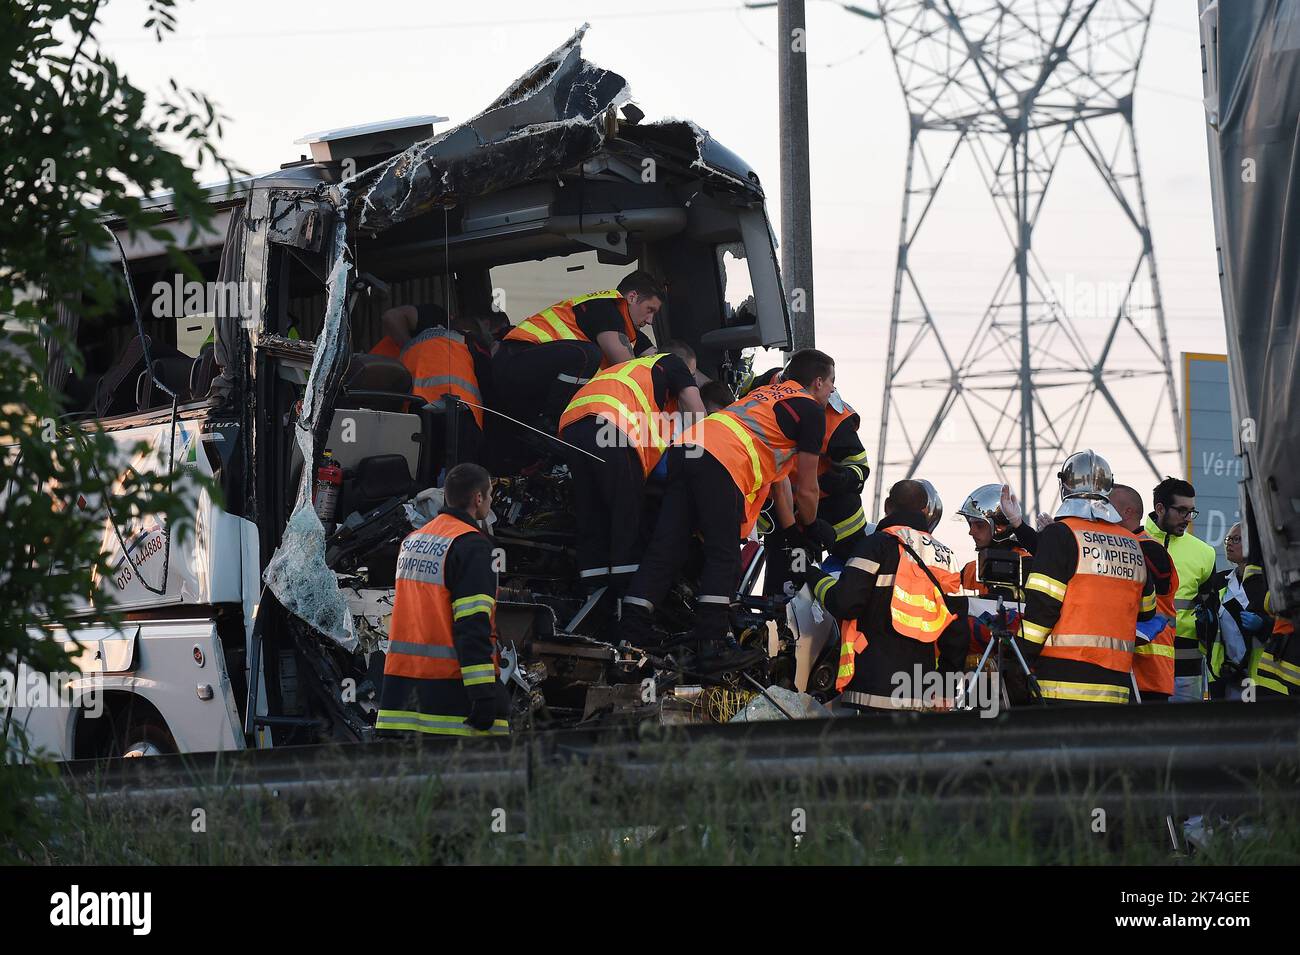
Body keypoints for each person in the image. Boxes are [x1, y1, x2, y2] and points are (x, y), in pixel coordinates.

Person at [620, 349, 838, 673]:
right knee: (724, 555)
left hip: (686, 449)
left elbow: (781, 485)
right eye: (831, 382)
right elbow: (807, 486)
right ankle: (712, 645)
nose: (833, 390)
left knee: (665, 549)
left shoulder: (765, 396)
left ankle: (630, 636)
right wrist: (812, 524)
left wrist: (792, 531)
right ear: (817, 381)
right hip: (721, 462)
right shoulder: (810, 411)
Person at [557, 341, 705, 601]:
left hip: (572, 422)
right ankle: (627, 595)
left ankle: (593, 589)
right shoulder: (674, 362)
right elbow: (696, 409)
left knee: (593, 510)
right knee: (627, 512)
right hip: (611, 425)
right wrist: (703, 459)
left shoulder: (634, 373)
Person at [802, 479, 966, 712]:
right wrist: (946, 688)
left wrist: (812, 576)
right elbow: (957, 633)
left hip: (872, 691)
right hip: (920, 695)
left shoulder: (874, 546)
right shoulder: (947, 558)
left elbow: (845, 603)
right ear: (925, 511)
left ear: (888, 506)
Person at [376, 463, 509, 737]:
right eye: (490, 494)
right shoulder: (473, 546)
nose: (491, 501)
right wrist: (484, 695)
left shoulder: (412, 541)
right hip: (451, 698)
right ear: (478, 498)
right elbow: (473, 626)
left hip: (402, 695)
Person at [1015, 450, 1156, 705]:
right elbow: (1147, 611)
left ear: (1064, 485)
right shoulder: (1133, 542)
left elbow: (1042, 609)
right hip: (1116, 687)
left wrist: (1017, 661)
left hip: (1061, 685)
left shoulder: (1060, 534)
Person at [493, 271, 662, 432]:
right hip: (514, 361)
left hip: (535, 376)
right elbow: (627, 368)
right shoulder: (605, 306)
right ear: (632, 297)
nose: (651, 321)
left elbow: (658, 366)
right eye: (650, 310)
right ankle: (551, 422)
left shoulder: (629, 333)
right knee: (588, 355)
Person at [745, 369, 870, 559]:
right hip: (777, 505)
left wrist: (843, 478)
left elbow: (859, 467)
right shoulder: (767, 385)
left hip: (832, 509)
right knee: (785, 577)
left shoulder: (836, 419)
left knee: (854, 572)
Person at [1143, 477, 1217, 702]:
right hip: (1142, 657)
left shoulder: (1205, 553)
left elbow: (1210, 610)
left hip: (1186, 665)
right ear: (1160, 508)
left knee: (1185, 734)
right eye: (1182, 511)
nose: (1187, 519)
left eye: (1191, 512)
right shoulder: (1132, 542)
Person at [1111, 483, 1178, 702]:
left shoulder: (1148, 549)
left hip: (1148, 668)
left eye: (1108, 506)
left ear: (1127, 512)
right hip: (1128, 666)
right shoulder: (1130, 545)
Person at [1212, 522, 1270, 698]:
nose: (1229, 543)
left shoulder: (1269, 583)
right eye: (1228, 539)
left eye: (1236, 539)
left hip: (1259, 676)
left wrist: (1264, 626)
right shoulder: (1220, 581)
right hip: (1228, 675)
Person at [955, 483, 1037, 594]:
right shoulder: (970, 569)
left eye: (979, 525)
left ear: (999, 528)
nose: (971, 532)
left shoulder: (1026, 565)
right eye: (971, 525)